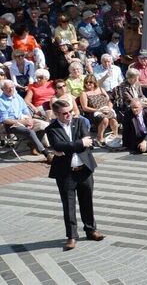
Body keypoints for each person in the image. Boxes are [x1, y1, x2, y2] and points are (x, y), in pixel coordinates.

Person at [45, 99, 105, 250]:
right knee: (69, 205)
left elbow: (88, 141)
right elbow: (58, 145)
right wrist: (79, 144)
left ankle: (91, 230)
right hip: (66, 173)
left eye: (70, 111)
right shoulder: (51, 129)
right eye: (65, 113)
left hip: (84, 169)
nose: (69, 115)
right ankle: (72, 236)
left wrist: (69, 148)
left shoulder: (79, 122)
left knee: (87, 201)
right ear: (56, 114)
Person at [0, 78, 53, 162]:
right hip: (9, 124)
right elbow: (5, 119)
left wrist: (30, 120)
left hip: (23, 119)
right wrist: (23, 122)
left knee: (45, 125)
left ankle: (33, 144)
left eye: (12, 87)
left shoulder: (17, 96)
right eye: (8, 88)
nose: (11, 89)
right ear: (3, 89)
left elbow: (25, 110)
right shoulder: (1, 101)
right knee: (30, 132)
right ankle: (46, 153)